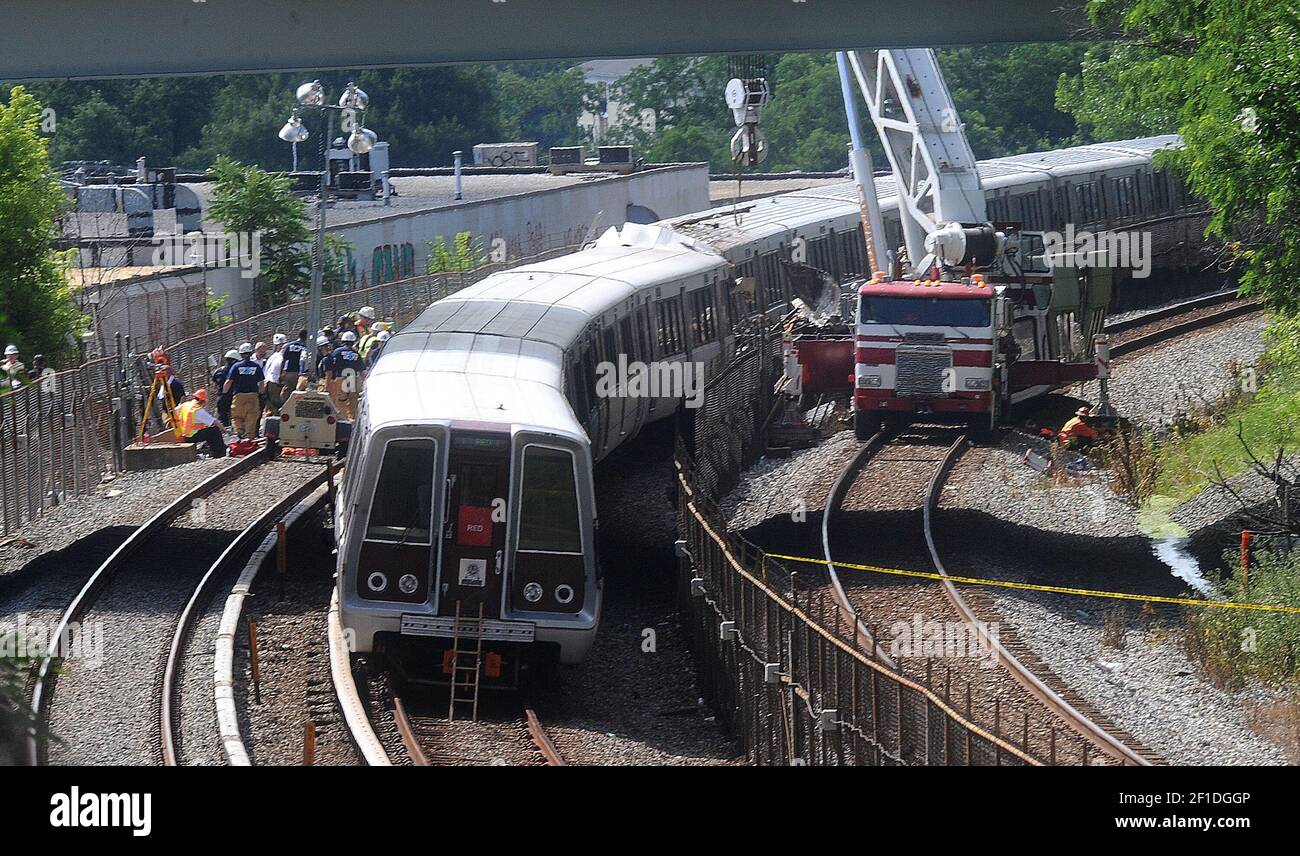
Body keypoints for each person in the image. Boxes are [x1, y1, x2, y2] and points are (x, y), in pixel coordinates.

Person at [222, 342, 266, 439]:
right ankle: (249, 438)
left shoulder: (236, 366)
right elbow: (261, 383)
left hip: (239, 396)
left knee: (237, 416)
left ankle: (239, 435)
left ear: (240, 354)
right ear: (251, 353)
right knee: (251, 417)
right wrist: (261, 393)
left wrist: (224, 394)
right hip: (253, 396)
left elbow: (228, 382)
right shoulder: (256, 367)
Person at [173, 388, 226, 458]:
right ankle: (219, 454)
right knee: (215, 431)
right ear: (202, 400)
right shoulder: (198, 410)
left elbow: (175, 411)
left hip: (183, 435)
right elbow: (214, 422)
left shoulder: (186, 405)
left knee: (208, 430)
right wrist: (223, 429)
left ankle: (211, 451)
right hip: (191, 436)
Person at [325, 330, 365, 420]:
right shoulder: (356, 354)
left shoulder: (337, 352)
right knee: (353, 402)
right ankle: (353, 421)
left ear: (343, 341)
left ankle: (342, 420)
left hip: (341, 379)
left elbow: (330, 367)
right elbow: (362, 371)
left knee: (340, 401)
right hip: (353, 379)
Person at [279, 329, 309, 396]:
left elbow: (284, 360)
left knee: (287, 392)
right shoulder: (306, 347)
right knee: (299, 393)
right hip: (300, 374)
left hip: (289, 372)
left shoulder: (289, 345)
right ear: (306, 337)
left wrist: (281, 372)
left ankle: (285, 405)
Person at [264, 337, 286, 413]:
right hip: (275, 384)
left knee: (271, 406)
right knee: (278, 405)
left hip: (268, 382)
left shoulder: (272, 356)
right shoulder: (282, 356)